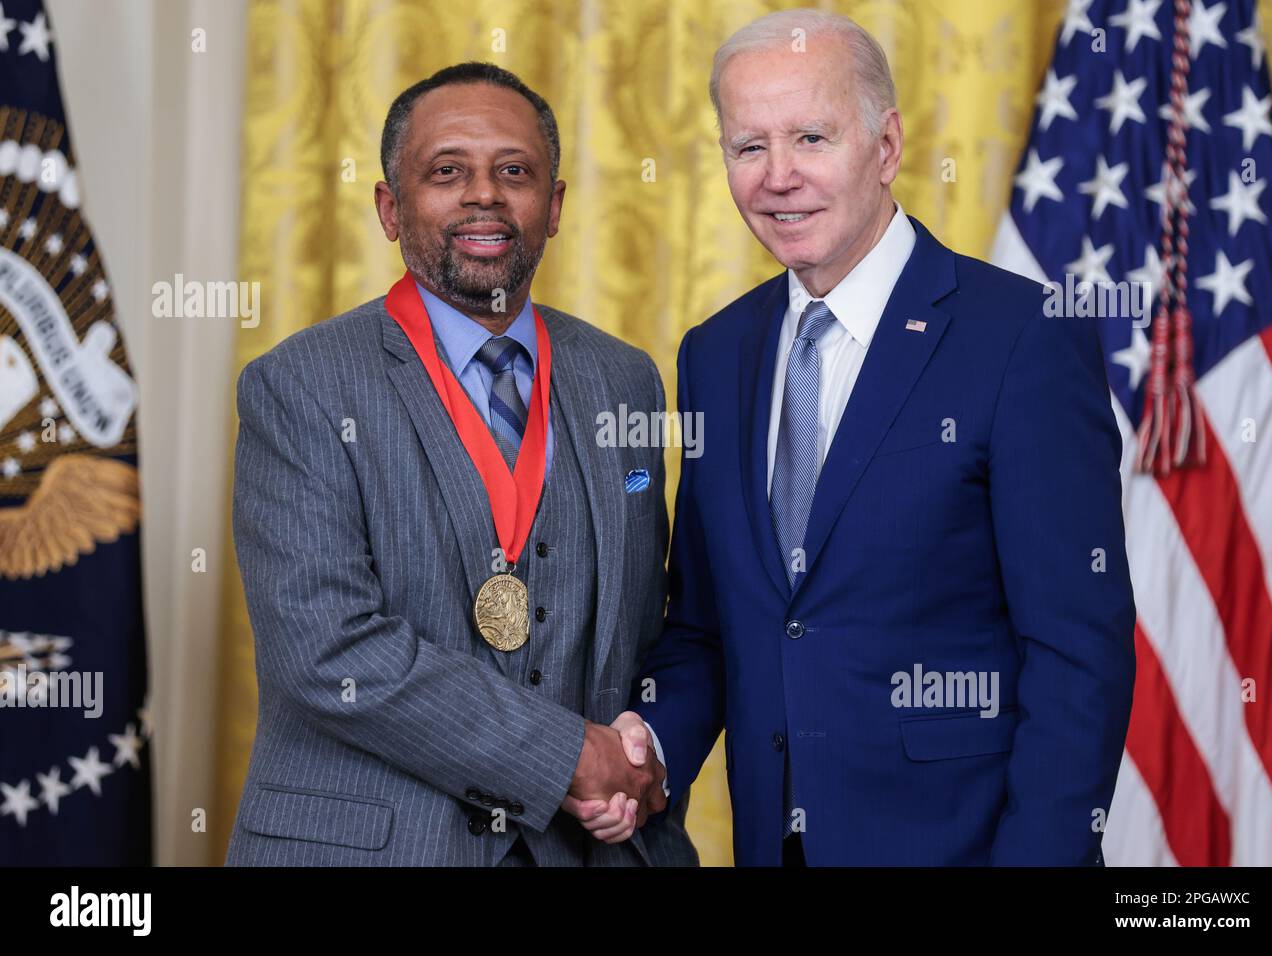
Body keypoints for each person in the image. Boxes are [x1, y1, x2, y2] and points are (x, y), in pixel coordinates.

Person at [577, 9, 1136, 866]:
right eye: (748, 146)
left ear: (886, 145)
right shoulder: (715, 354)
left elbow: (1077, 657)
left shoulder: (1021, 337)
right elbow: (708, 625)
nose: (779, 177)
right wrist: (642, 749)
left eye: (810, 136)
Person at [226, 62, 695, 866]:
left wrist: (637, 757)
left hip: (594, 849)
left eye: (514, 172)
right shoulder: (298, 385)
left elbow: (650, 621)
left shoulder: (625, 379)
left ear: (553, 208)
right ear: (389, 207)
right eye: (447, 172)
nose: (484, 194)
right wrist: (572, 759)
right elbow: (327, 650)